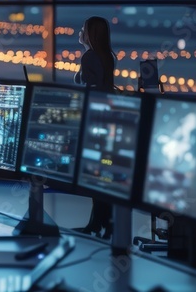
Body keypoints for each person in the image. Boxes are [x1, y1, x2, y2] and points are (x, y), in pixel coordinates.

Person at [73, 16, 117, 238]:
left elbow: (86, 85)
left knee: (93, 171)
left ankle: (96, 222)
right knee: (103, 172)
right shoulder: (107, 56)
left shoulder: (89, 57)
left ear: (90, 35)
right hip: (107, 118)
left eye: (83, 30)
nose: (79, 33)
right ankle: (105, 222)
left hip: (94, 120)